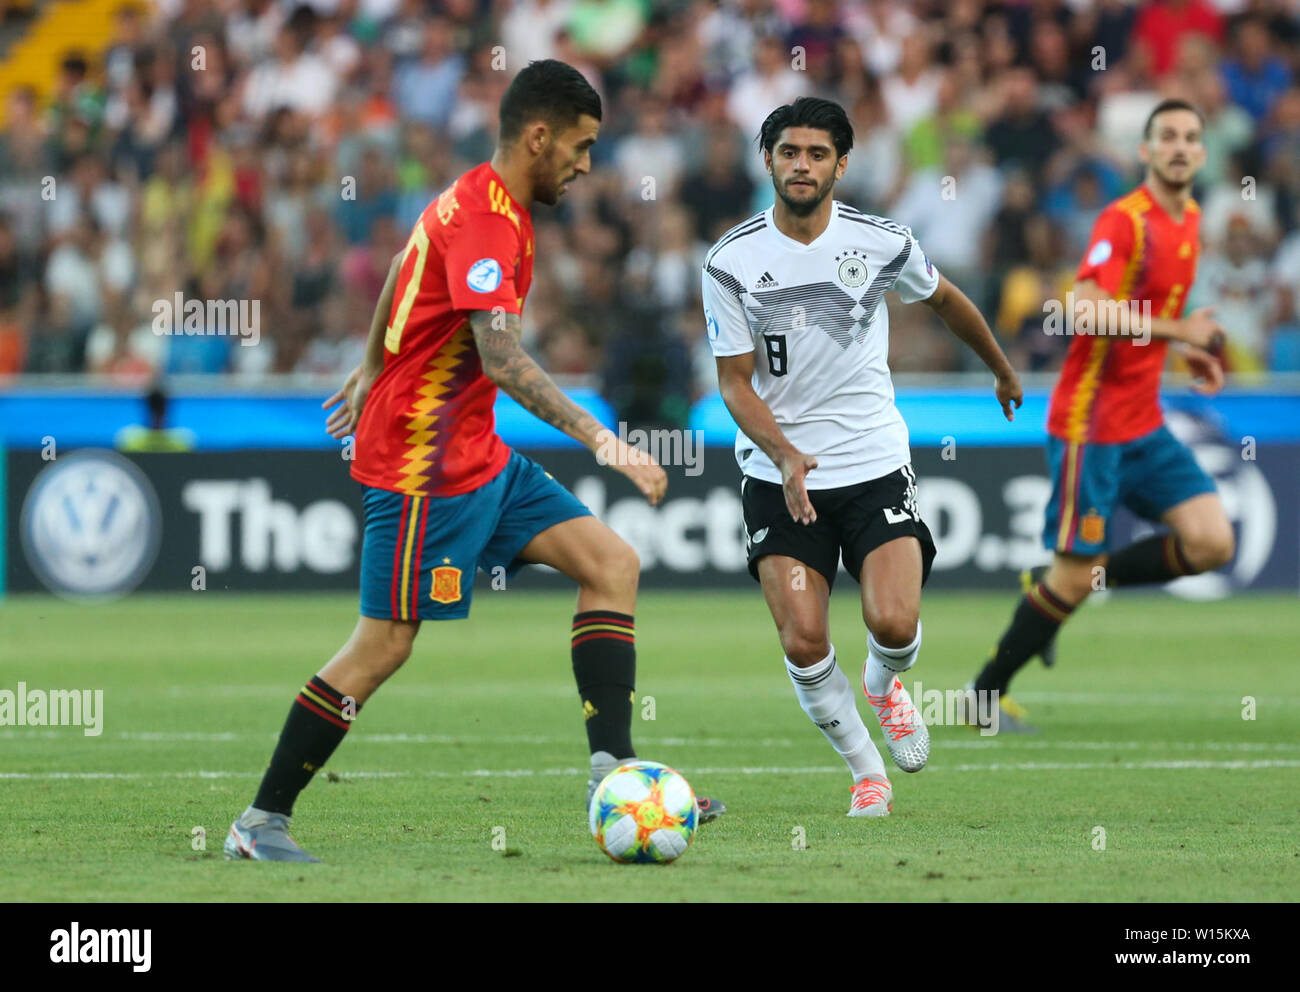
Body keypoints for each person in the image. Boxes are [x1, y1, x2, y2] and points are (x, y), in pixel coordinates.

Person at [225, 60, 723, 862]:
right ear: (538, 135)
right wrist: (605, 440)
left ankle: (615, 772)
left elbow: (400, 268)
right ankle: (259, 823)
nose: (586, 164)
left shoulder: (478, 199)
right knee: (384, 644)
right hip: (422, 469)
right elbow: (502, 360)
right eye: (581, 146)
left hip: (479, 457)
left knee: (611, 564)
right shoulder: (491, 221)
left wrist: (370, 362)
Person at [702, 97, 1022, 817]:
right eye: (789, 152)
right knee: (805, 634)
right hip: (775, 475)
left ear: (841, 165)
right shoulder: (731, 261)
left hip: (872, 460)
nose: (802, 165)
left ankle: (884, 686)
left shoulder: (881, 243)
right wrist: (783, 455)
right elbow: (733, 383)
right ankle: (865, 770)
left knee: (894, 624)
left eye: (818, 154)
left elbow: (947, 301)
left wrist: (999, 367)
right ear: (769, 161)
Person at [965, 99, 1235, 732]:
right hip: (1091, 425)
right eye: (1165, 135)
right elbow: (1084, 311)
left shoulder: (1192, 218)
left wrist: (1185, 351)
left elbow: (1152, 312)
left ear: (1202, 152)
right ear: (1144, 151)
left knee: (1211, 541)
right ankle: (982, 695)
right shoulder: (1125, 221)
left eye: (1191, 137)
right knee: (1076, 577)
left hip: (1144, 421)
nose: (1178, 146)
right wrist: (1179, 330)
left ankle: (1057, 582)